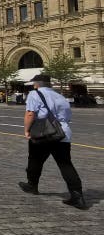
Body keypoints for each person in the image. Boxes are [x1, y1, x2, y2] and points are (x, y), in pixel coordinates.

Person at [19, 74, 87, 209]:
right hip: (62, 133)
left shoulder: (34, 94)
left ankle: (32, 185)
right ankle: (77, 195)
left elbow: (30, 114)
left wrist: (27, 130)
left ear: (37, 84)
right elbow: (67, 117)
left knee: (35, 160)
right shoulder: (60, 96)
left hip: (42, 133)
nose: (33, 85)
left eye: (34, 83)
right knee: (65, 164)